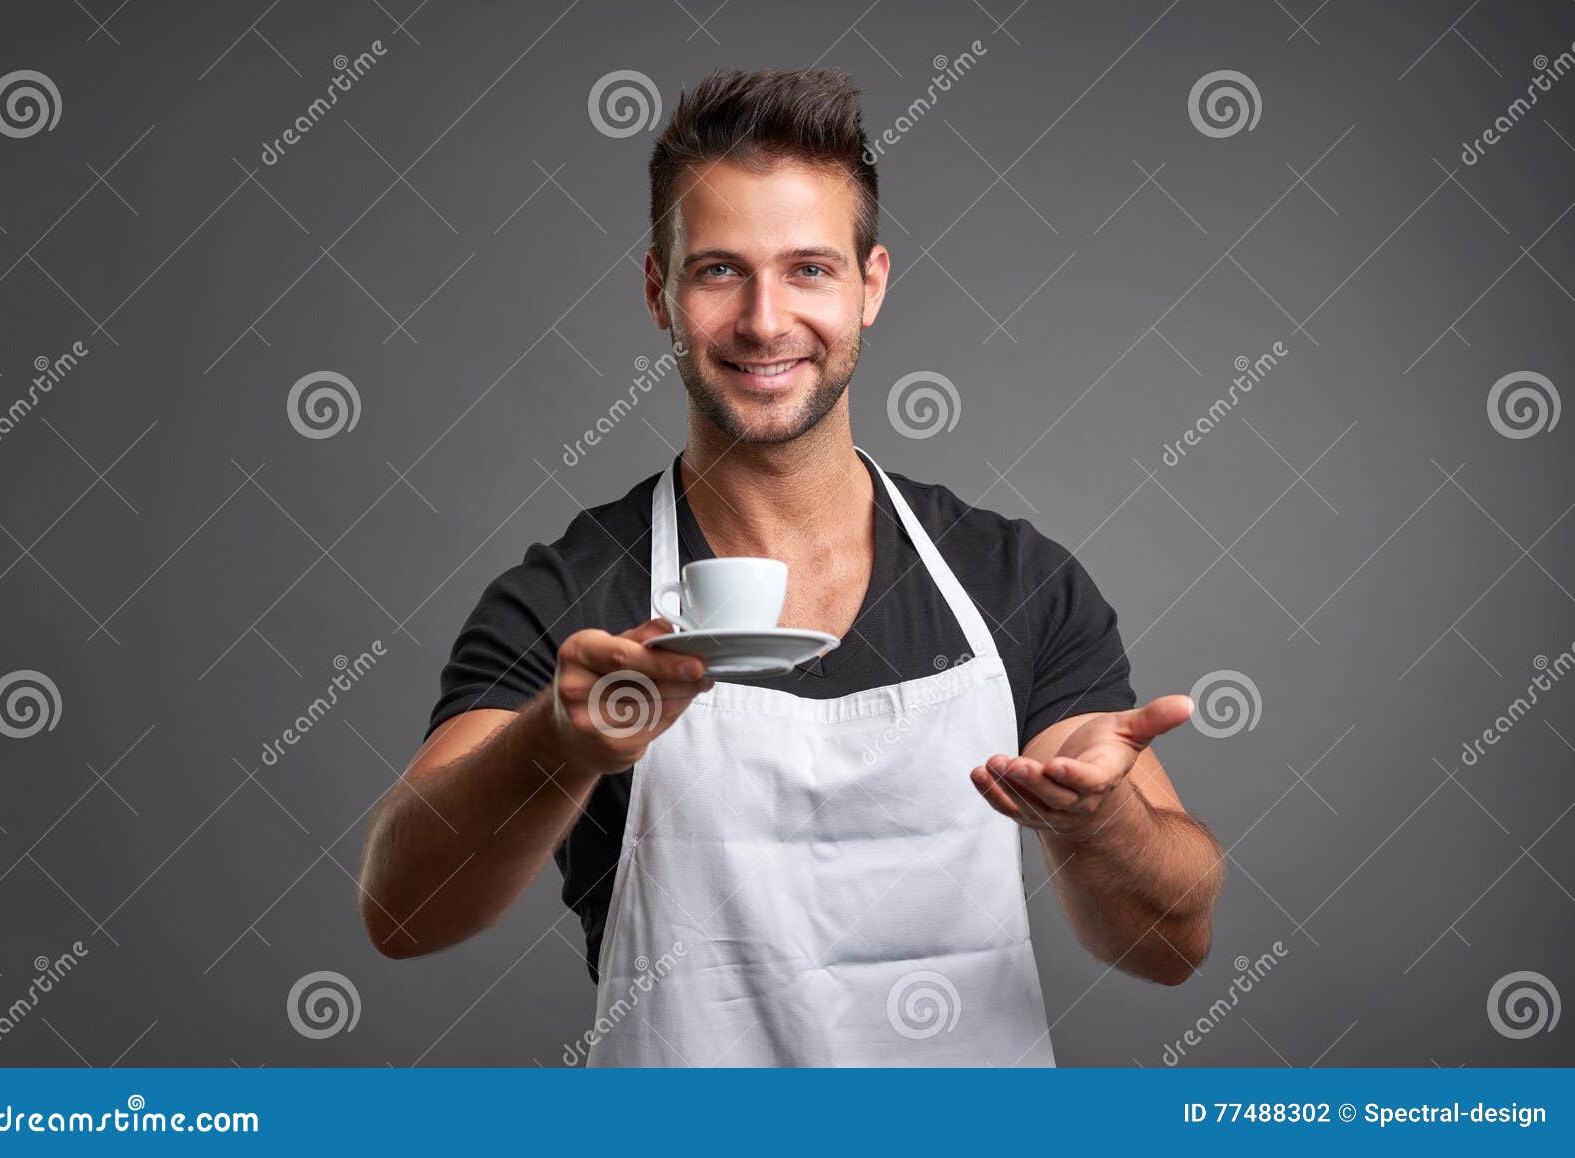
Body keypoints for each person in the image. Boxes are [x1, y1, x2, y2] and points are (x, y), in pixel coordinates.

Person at [357, 67, 1224, 1066]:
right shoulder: (569, 597)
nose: (765, 322)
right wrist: (557, 747)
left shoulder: (1012, 580)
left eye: (808, 269)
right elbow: (401, 909)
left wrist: (1099, 821)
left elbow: (1173, 946)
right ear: (660, 293)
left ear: (871, 286)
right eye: (719, 270)